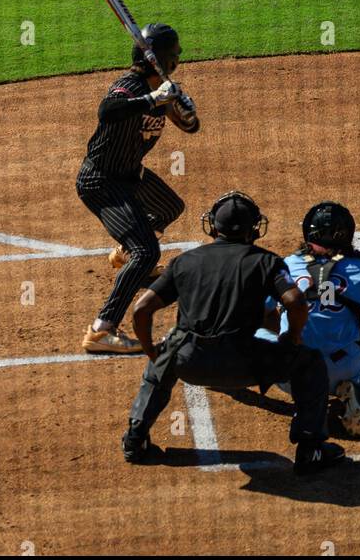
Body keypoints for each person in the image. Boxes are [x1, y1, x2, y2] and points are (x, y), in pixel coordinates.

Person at [123, 192, 346, 477]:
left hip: (192, 363)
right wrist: (292, 339)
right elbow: (296, 302)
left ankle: (135, 439)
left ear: (213, 227)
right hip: (249, 366)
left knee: (166, 353)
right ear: (255, 229)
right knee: (310, 361)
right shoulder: (267, 261)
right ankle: (310, 449)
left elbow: (142, 310)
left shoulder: (185, 261)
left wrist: (153, 352)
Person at [76, 23, 198, 355]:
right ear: (165, 58)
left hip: (131, 175)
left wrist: (184, 111)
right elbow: (108, 111)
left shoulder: (165, 87)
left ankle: (126, 255)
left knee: (170, 208)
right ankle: (101, 331)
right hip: (101, 181)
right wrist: (151, 99)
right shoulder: (129, 87)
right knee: (148, 252)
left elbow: (190, 126)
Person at [262, 201, 360, 437]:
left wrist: (284, 338)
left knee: (261, 338)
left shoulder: (285, 266)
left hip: (292, 376)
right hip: (347, 368)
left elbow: (264, 314)